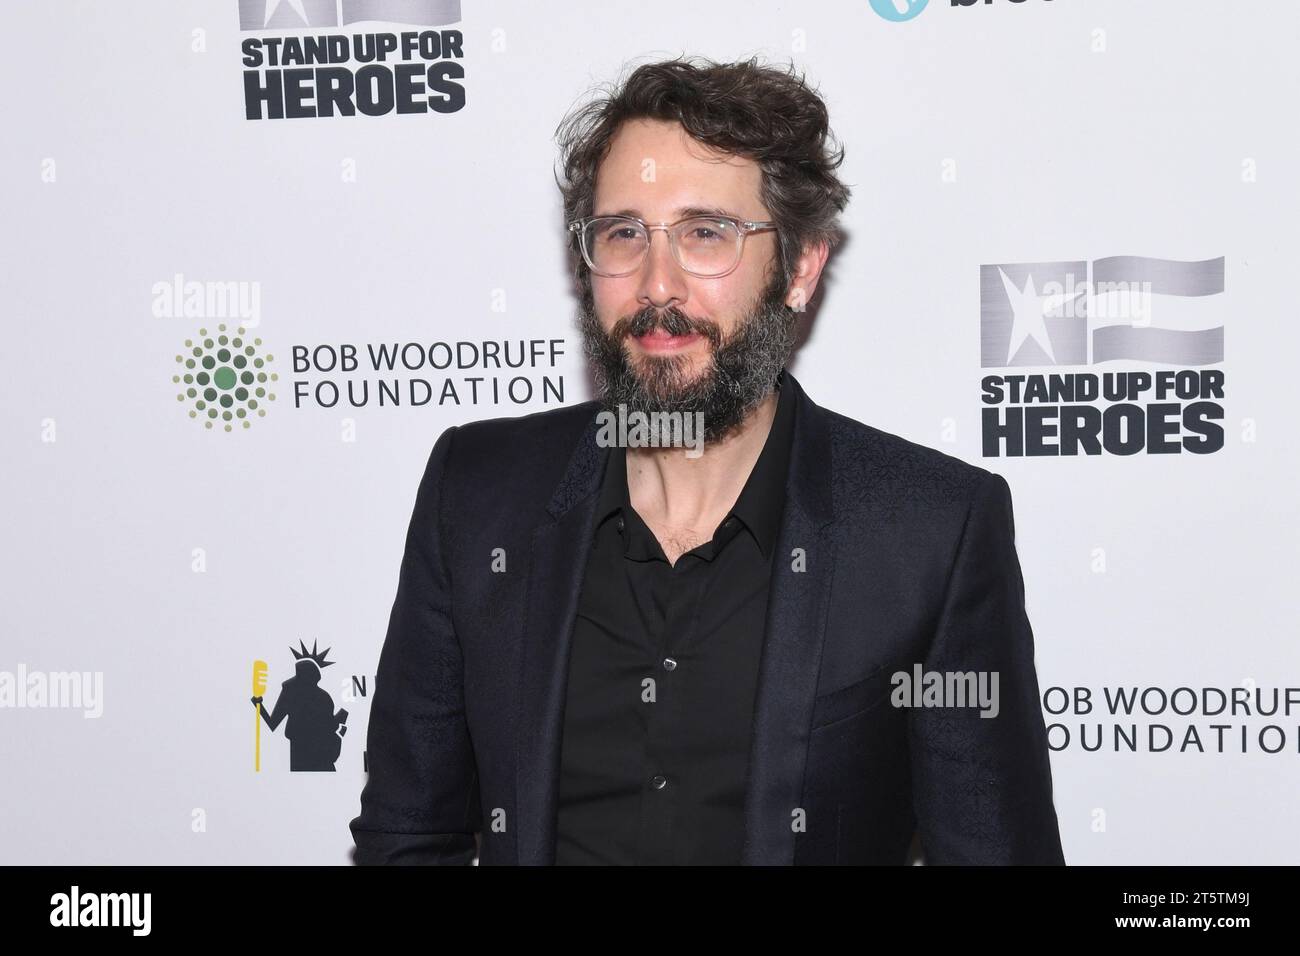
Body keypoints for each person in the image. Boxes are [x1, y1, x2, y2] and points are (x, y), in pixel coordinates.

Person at [349, 55, 1065, 865]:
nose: (659, 285)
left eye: (705, 234)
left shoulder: (929, 532)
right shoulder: (478, 493)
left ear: (799, 268)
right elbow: (409, 835)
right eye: (624, 233)